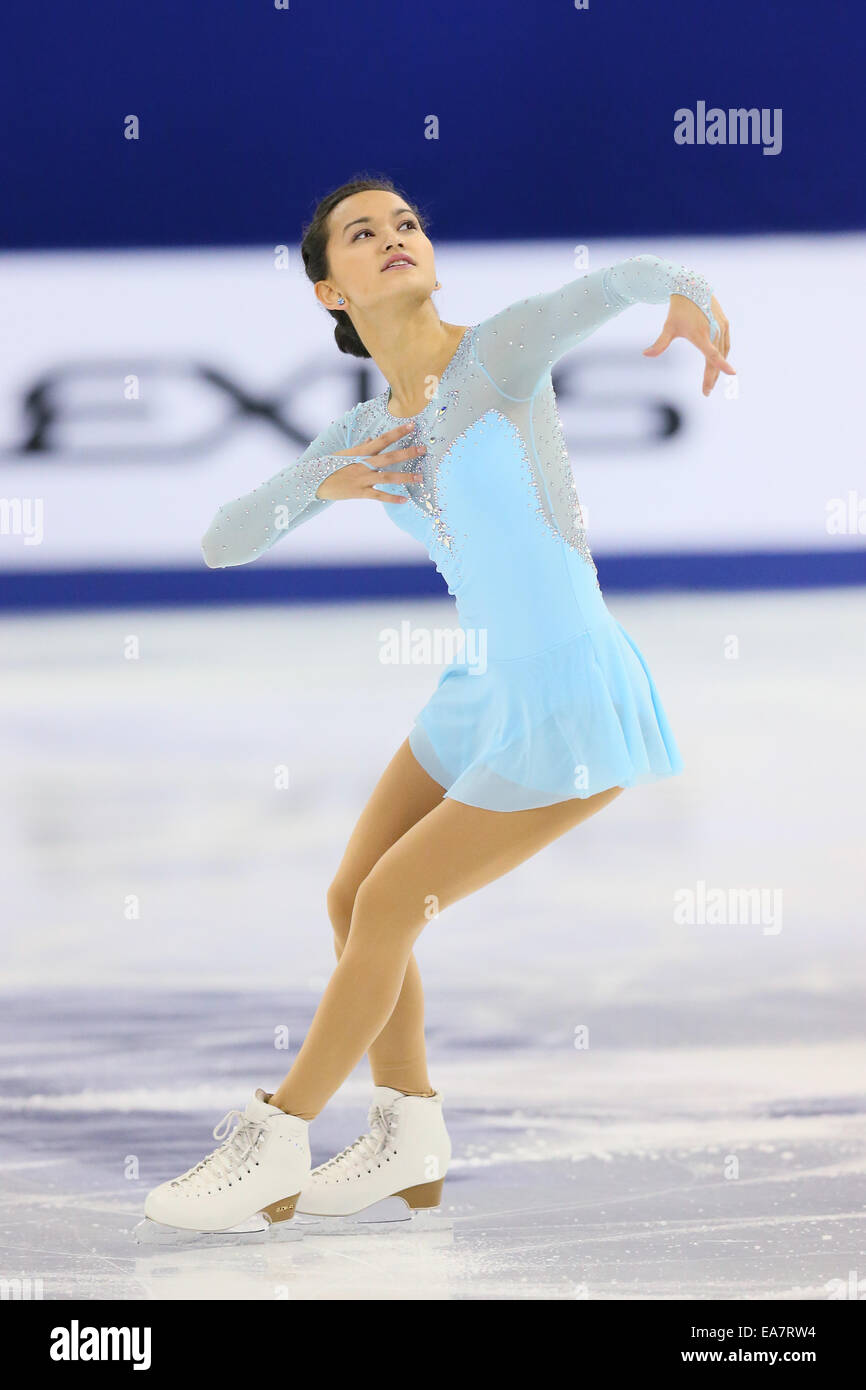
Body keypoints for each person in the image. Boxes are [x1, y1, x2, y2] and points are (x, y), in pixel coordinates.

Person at [135, 176, 733, 1244]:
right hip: (478, 687)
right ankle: (409, 1135)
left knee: (391, 901)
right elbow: (224, 539)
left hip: (563, 688)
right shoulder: (367, 428)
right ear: (329, 289)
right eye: (362, 235)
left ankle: (276, 1138)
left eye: (405, 222)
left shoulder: (495, 355)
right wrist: (324, 485)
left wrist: (685, 295)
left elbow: (621, 284)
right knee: (350, 895)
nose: (393, 238)